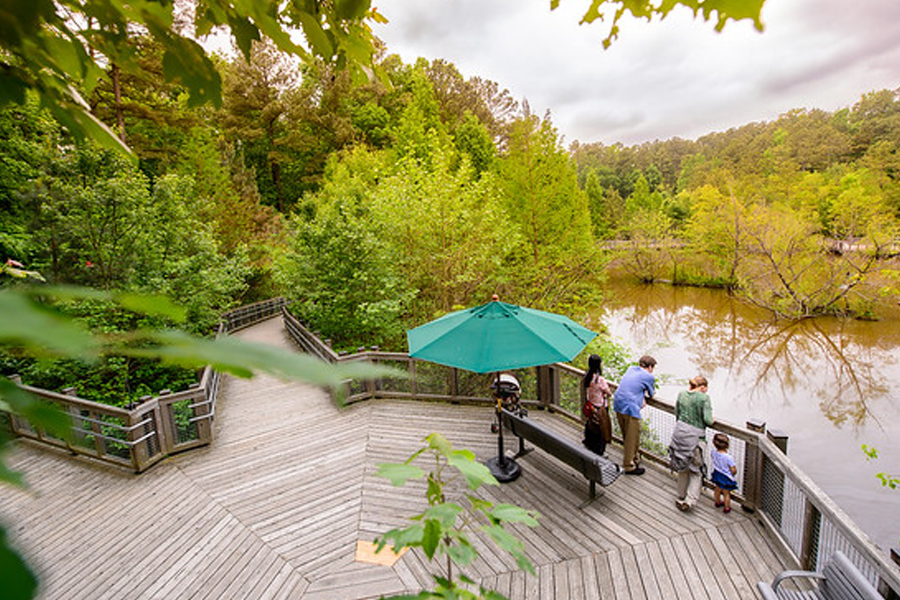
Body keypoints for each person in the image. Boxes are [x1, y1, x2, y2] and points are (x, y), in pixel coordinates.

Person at [669, 376, 713, 511]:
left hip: (679, 434)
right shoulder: (704, 398)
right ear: (703, 387)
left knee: (682, 466)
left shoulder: (682, 394)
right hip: (695, 438)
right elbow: (708, 420)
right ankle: (690, 500)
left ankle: (681, 496)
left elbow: (677, 413)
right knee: (696, 470)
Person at [612, 355, 657, 475]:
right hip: (631, 408)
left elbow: (633, 386)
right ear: (650, 367)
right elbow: (651, 393)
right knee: (632, 438)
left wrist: (640, 395)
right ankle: (629, 466)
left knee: (626, 435)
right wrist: (643, 396)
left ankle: (634, 458)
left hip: (618, 404)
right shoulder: (648, 376)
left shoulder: (631, 369)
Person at [581, 354, 612, 456]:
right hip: (600, 407)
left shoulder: (587, 377)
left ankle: (589, 444)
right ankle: (599, 451)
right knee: (601, 429)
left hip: (590, 405)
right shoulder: (600, 380)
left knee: (591, 426)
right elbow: (609, 393)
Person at [711, 432, 738, 513]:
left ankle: (718, 502)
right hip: (725, 476)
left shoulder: (713, 452)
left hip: (717, 473)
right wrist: (732, 474)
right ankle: (726, 507)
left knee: (717, 489)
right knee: (726, 493)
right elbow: (733, 470)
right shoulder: (728, 457)